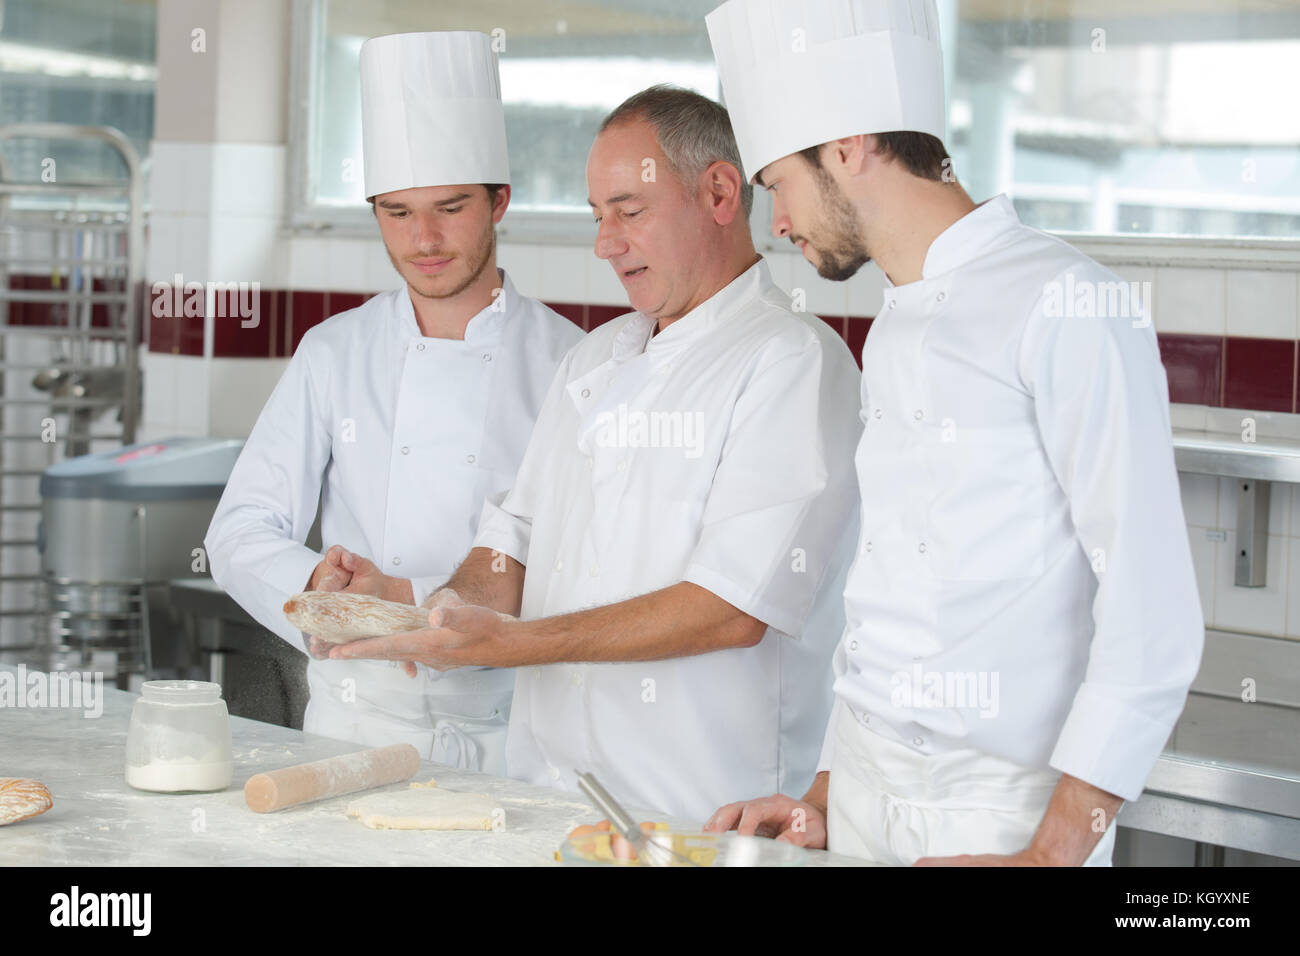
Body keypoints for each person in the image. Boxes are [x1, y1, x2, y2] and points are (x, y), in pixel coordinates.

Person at [703, 0, 1203, 865]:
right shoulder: (895, 318)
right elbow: (895, 583)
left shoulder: (1068, 304)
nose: (776, 222)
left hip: (1002, 809)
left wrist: (1047, 859)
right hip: (864, 786)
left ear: (849, 145)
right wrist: (830, 795)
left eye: (778, 184)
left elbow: (1152, 614)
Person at [328, 85, 863, 822]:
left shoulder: (792, 360)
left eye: (629, 211)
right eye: (597, 216)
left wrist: (516, 645)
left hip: (704, 817)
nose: (605, 243)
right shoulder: (595, 359)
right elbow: (513, 543)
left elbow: (733, 608)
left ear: (718, 192)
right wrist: (429, 607)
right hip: (548, 802)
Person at [204, 31, 583, 773]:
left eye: (450, 207)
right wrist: (324, 590)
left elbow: (589, 568)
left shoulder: (573, 363)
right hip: (353, 731)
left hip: (512, 738)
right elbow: (240, 528)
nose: (426, 239)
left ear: (500, 201)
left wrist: (409, 597)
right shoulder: (334, 351)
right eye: (398, 212)